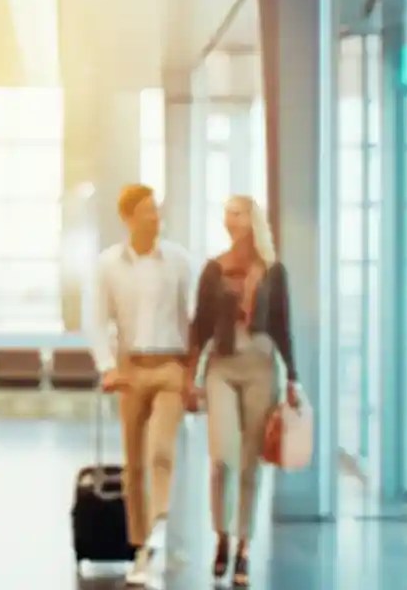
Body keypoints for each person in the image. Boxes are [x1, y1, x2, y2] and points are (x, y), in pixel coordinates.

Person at [186, 195, 301, 587]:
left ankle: (244, 548)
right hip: (221, 366)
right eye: (226, 213)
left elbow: (283, 324)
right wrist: (191, 376)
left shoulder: (273, 271)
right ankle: (221, 536)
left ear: (251, 220)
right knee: (223, 458)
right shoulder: (213, 269)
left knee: (251, 461)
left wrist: (293, 379)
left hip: (261, 367)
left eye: (235, 212)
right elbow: (199, 325)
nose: (228, 219)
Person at [92, 184, 193, 586]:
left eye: (157, 210)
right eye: (148, 211)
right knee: (134, 464)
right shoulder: (108, 265)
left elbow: (195, 317)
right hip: (129, 368)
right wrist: (106, 367)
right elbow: (97, 319)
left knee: (160, 452)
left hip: (170, 365)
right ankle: (140, 547)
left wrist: (193, 372)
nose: (156, 217)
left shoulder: (180, 261)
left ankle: (160, 529)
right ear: (129, 218)